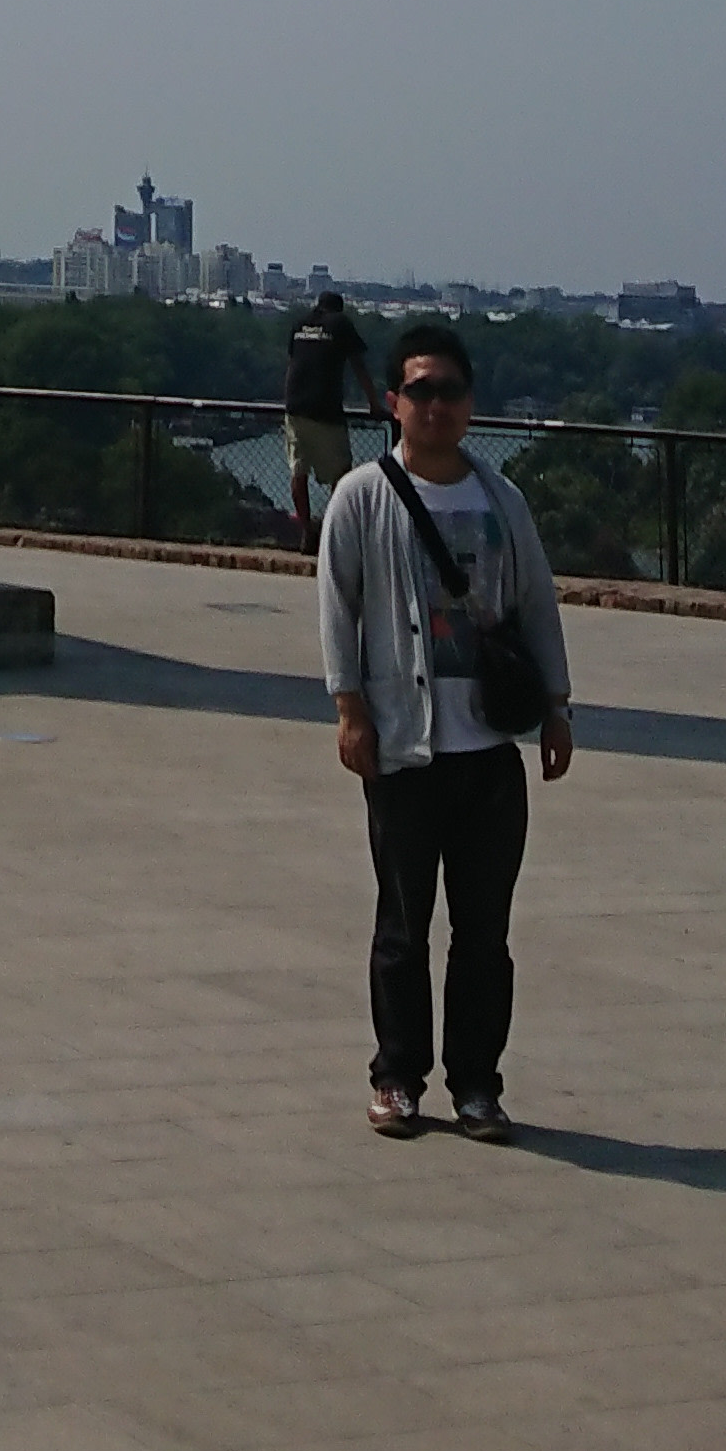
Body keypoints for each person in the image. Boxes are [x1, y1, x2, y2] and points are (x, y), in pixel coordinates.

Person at [318, 319, 577, 1141]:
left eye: (450, 391)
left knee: (485, 935)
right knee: (402, 927)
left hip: (488, 751)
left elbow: (537, 605)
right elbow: (337, 608)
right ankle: (398, 1076)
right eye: (419, 390)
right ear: (393, 401)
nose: (435, 405)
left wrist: (559, 707)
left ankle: (477, 1085)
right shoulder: (363, 496)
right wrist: (349, 708)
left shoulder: (503, 500)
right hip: (405, 746)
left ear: (471, 404)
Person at [280, 282, 382, 538]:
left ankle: (305, 528)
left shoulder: (299, 324)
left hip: (295, 407)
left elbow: (292, 365)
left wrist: (287, 401)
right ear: (339, 309)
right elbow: (359, 366)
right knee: (341, 474)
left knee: (298, 469)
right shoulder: (340, 324)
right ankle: (338, 532)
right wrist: (374, 404)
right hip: (324, 407)